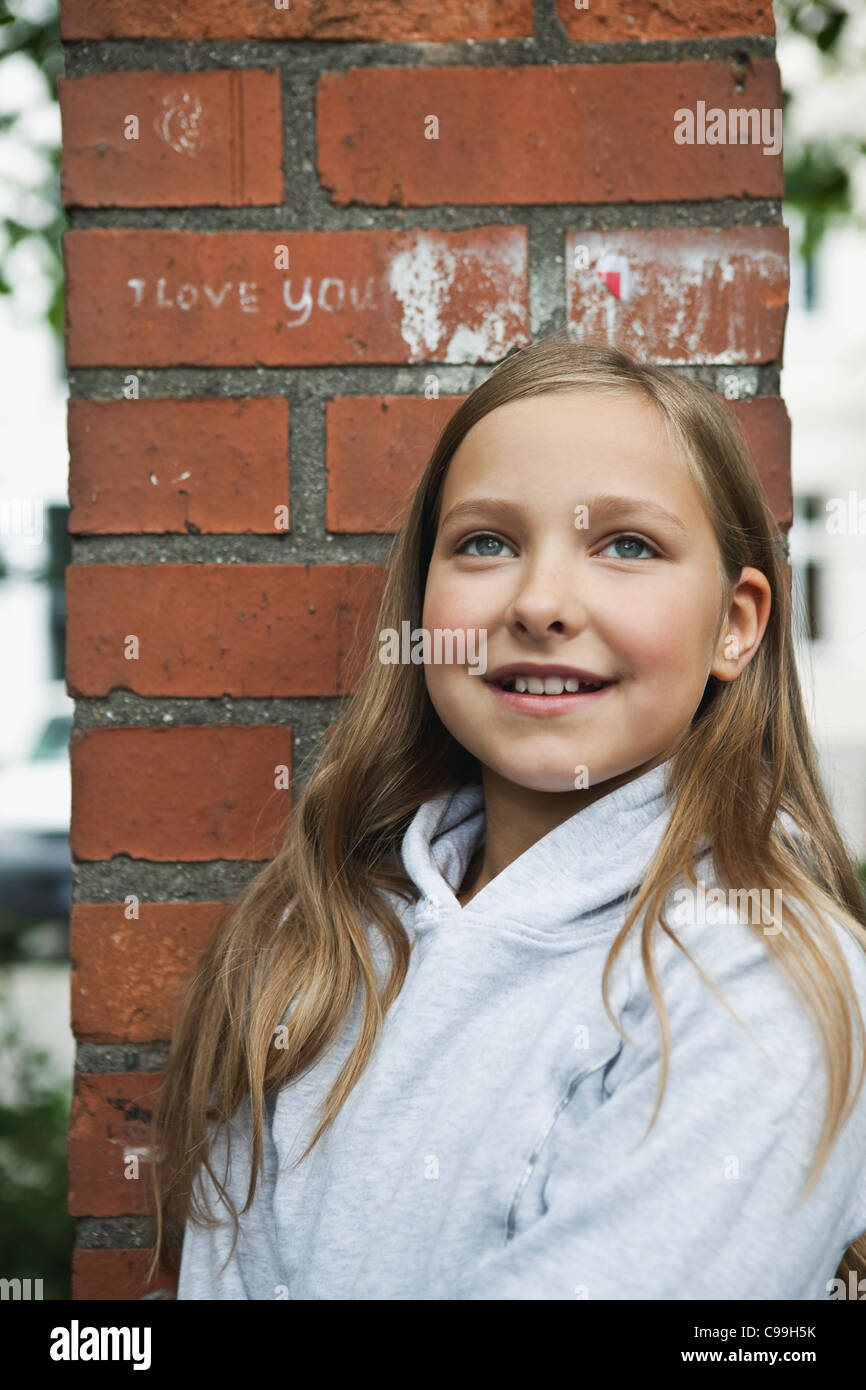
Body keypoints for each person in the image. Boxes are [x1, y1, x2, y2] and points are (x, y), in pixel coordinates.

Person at [149, 335, 866, 1299]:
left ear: (734, 625)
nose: (539, 602)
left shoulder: (765, 979)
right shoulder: (316, 945)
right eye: (486, 542)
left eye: (627, 545)